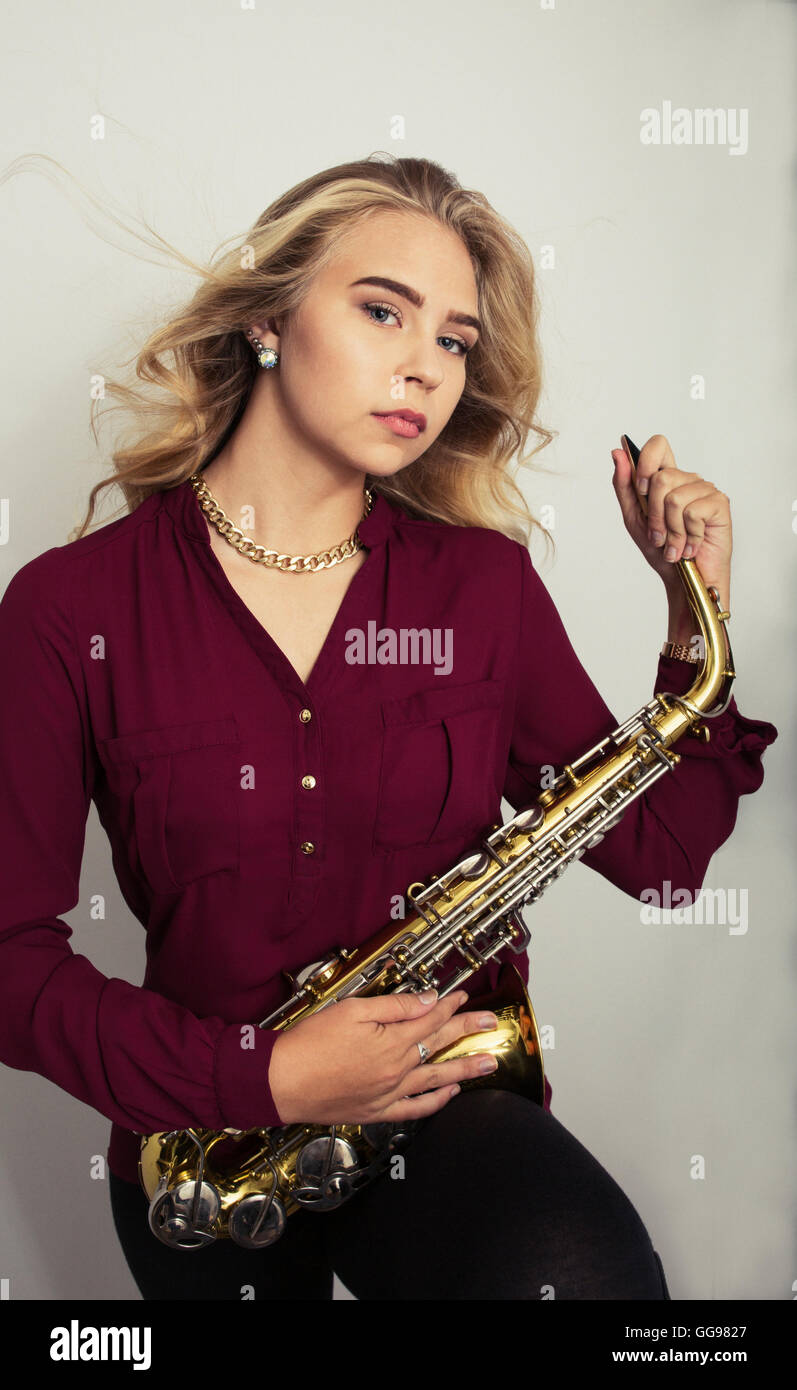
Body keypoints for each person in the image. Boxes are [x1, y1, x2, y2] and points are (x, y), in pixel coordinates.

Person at [0, 154, 778, 1301]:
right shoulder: (71, 607)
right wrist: (261, 1075)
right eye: (381, 311)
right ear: (270, 317)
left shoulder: (483, 589)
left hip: (438, 1111)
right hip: (207, 1153)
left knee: (588, 1279)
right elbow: (9, 959)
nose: (424, 366)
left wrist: (690, 607)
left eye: (455, 341)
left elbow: (660, 866)